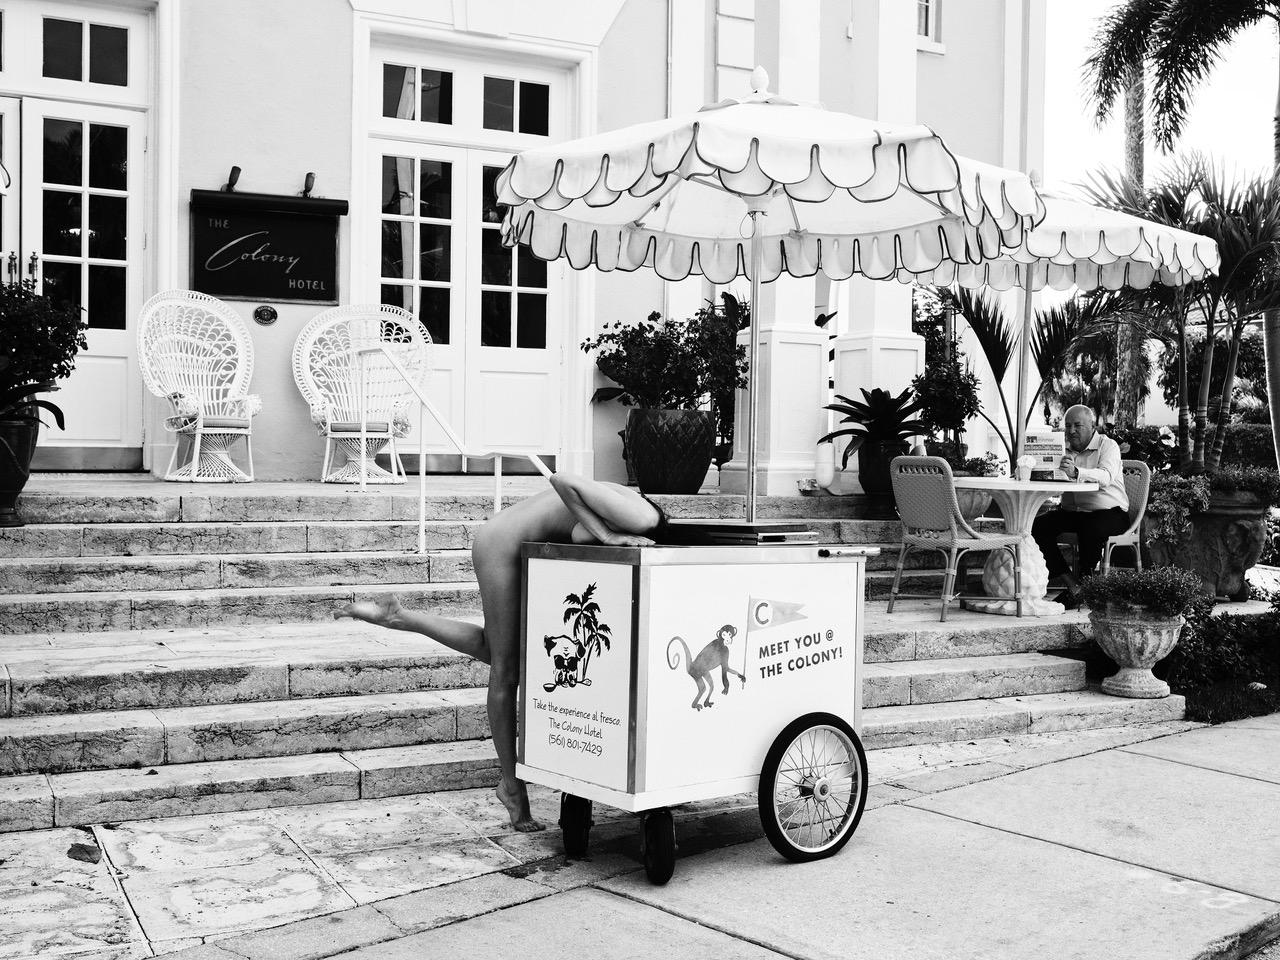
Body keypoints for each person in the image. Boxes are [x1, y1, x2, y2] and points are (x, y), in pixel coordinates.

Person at [335, 473, 664, 831]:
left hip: (515, 544)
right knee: (506, 673)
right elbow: (562, 479)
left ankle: (398, 616)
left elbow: (575, 530)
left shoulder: (625, 505)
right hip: (502, 545)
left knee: (500, 653)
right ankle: (510, 786)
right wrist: (609, 537)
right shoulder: (645, 516)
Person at [1030, 405, 1130, 608]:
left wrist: (1077, 472)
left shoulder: (1107, 446)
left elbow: (1106, 476)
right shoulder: (1061, 448)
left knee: (1091, 527)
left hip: (1110, 512)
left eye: (1078, 425)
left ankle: (1087, 583)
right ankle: (1073, 585)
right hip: (1073, 512)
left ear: (1092, 426)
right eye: (1068, 426)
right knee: (1035, 526)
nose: (1072, 430)